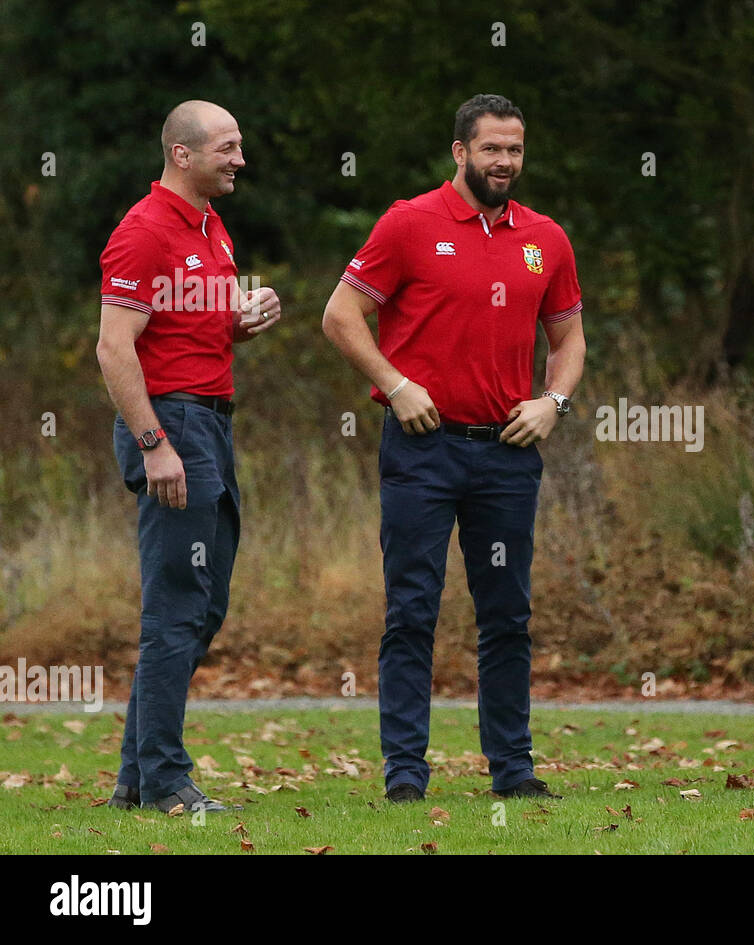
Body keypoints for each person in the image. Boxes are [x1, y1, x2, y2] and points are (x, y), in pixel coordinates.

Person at [322, 93, 585, 803]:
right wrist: (395, 383)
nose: (506, 161)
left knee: (508, 614)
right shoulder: (410, 223)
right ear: (460, 152)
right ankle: (406, 774)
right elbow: (341, 314)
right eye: (492, 148)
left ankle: (514, 769)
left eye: (515, 149)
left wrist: (552, 403)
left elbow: (569, 339)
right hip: (422, 449)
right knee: (412, 610)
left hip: (507, 450)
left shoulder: (547, 238)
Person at [96, 101, 281, 813]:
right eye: (228, 148)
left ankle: (138, 778)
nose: (240, 159)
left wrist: (243, 321)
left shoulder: (210, 227)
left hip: (209, 425)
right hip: (170, 425)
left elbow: (194, 332)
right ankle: (167, 779)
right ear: (183, 154)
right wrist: (154, 445)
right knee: (177, 605)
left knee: (203, 604)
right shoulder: (143, 232)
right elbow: (115, 347)